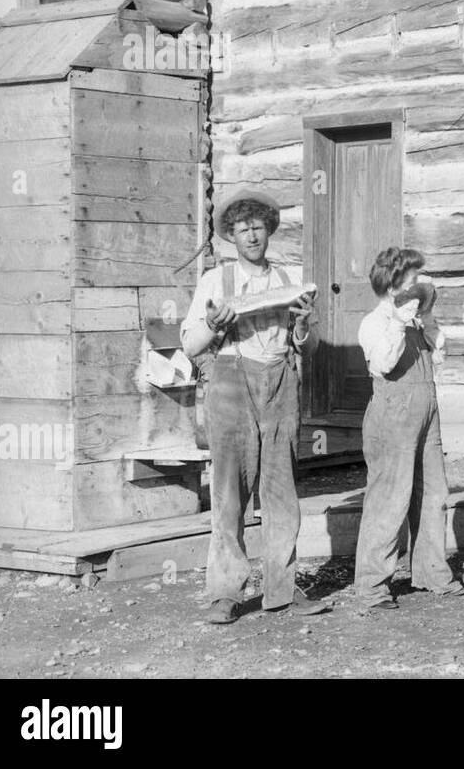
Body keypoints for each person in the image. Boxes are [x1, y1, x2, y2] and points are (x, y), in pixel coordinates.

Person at [181, 190, 326, 624]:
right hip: (230, 382)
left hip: (280, 381)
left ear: (268, 231)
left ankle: (282, 589)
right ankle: (225, 592)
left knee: (281, 491)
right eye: (242, 228)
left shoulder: (289, 277)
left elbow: (310, 346)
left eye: (258, 226)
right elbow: (190, 344)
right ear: (230, 236)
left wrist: (301, 325)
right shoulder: (214, 282)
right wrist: (212, 323)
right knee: (229, 492)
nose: (251, 234)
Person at [353, 247, 464, 609]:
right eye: (413, 279)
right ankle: (372, 585)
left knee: (434, 492)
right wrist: (400, 321)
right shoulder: (376, 322)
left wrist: (426, 318)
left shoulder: (416, 320)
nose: (419, 285)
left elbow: (441, 351)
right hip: (392, 413)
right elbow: (385, 363)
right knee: (390, 498)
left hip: (426, 411)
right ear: (393, 284)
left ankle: (432, 571)